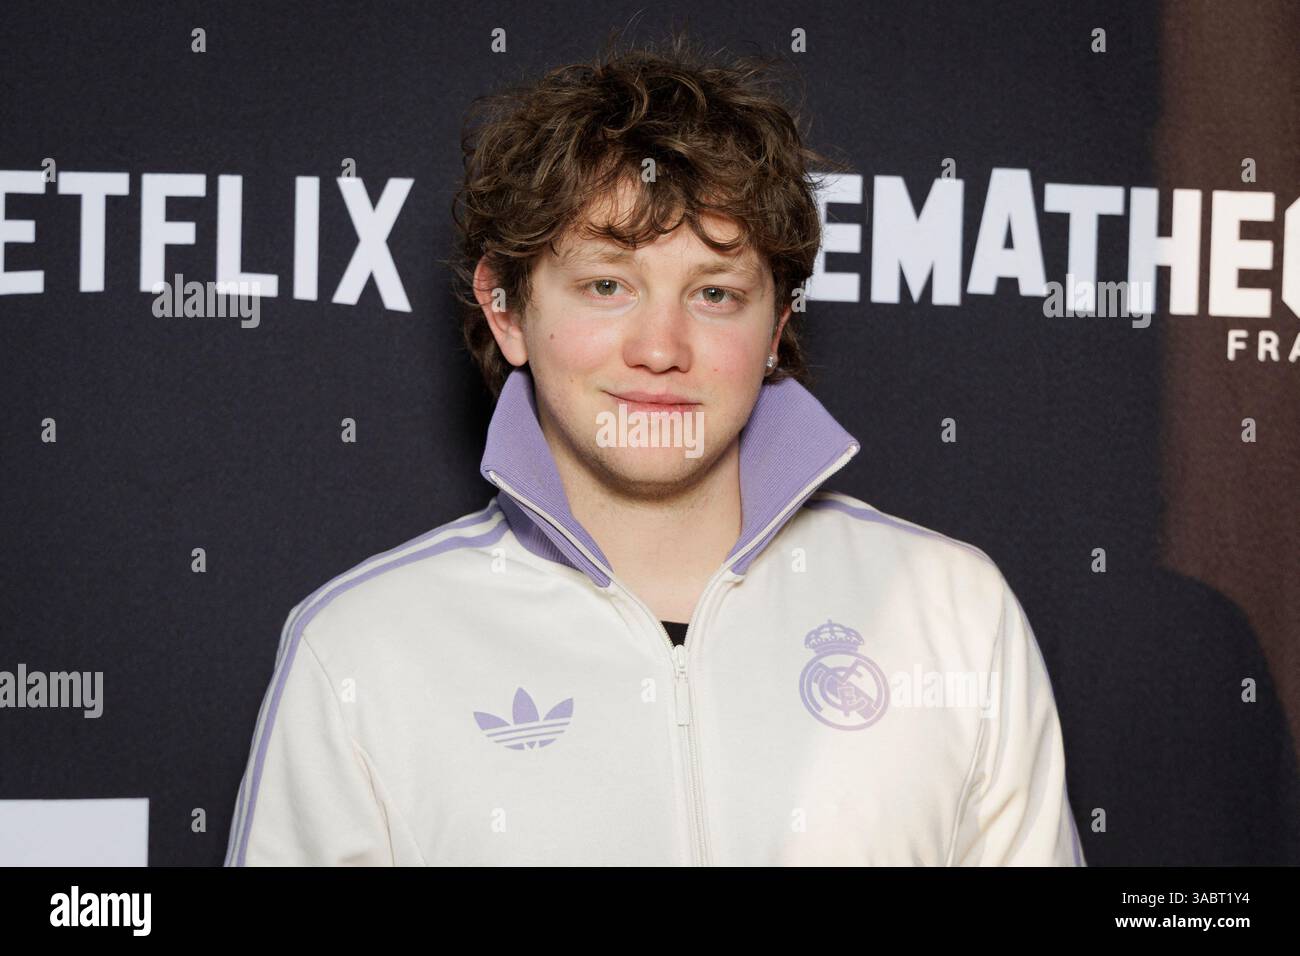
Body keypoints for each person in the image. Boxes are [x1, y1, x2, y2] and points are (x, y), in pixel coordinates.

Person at [224, 32, 1084, 866]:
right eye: (607, 285)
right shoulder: (361, 650)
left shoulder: (954, 615)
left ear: (778, 324)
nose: (661, 346)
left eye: (714, 292)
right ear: (507, 309)